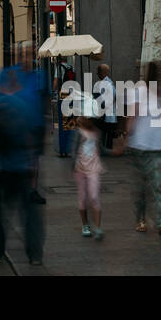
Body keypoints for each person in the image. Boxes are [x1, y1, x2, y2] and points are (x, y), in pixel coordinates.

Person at [0, 65, 44, 265]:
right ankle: (34, 255)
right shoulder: (27, 105)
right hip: (23, 167)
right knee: (30, 215)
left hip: (0, 168)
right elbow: (34, 138)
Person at [126, 61, 161, 237]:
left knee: (156, 185)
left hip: (159, 145)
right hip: (144, 145)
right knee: (150, 186)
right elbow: (132, 116)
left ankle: (157, 222)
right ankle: (148, 220)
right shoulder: (139, 91)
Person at [73, 101, 105, 241]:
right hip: (80, 170)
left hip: (94, 169)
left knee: (94, 197)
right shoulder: (79, 132)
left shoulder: (97, 133)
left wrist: (114, 151)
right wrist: (72, 168)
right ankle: (85, 225)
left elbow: (101, 150)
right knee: (83, 199)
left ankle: (97, 228)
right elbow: (74, 151)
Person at [93, 63, 117, 150]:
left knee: (106, 131)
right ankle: (106, 148)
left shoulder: (106, 84)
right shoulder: (108, 83)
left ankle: (106, 149)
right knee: (107, 132)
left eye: (98, 72)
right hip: (109, 113)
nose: (97, 74)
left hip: (107, 114)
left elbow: (112, 98)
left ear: (102, 73)